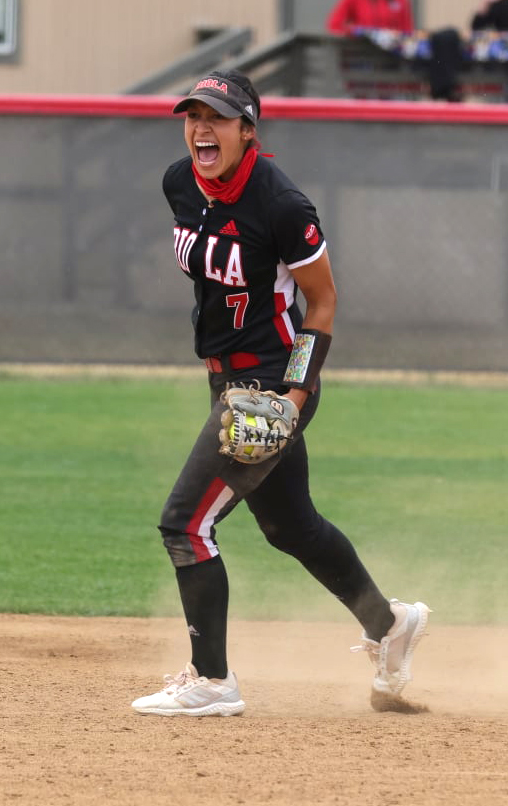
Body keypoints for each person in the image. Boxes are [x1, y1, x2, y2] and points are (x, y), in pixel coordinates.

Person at [132, 70, 430, 716]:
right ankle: (390, 625)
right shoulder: (179, 183)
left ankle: (212, 680)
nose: (199, 129)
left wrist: (292, 398)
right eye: (191, 115)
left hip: (273, 385)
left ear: (247, 130)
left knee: (185, 522)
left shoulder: (281, 204)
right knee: (289, 525)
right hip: (224, 378)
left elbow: (321, 303)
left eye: (215, 117)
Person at [326, 0, 413, 35]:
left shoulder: (400, 2)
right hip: (361, 53)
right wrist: (354, 30)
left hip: (391, 57)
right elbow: (334, 25)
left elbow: (407, 30)